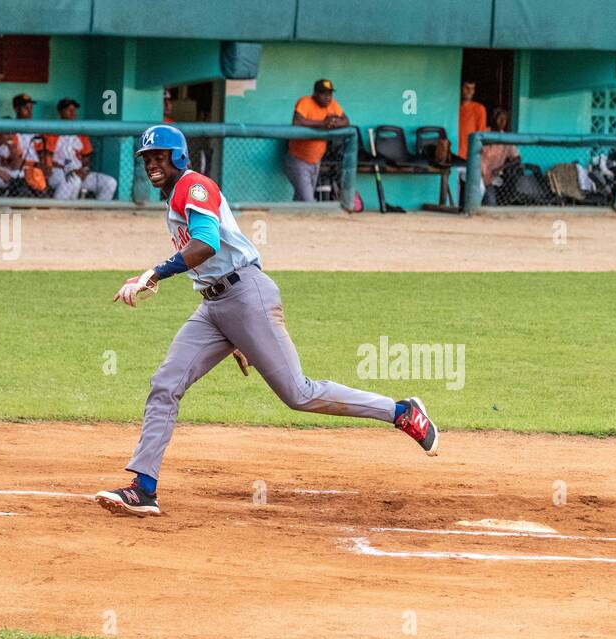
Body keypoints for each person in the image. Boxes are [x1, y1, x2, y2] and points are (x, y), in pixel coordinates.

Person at [95, 125, 439, 517]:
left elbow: (206, 244)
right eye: (147, 158)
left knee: (299, 394)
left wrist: (152, 274)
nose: (152, 164)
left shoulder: (194, 186)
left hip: (246, 296)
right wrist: (235, 333)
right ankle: (144, 488)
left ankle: (400, 411)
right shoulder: (175, 196)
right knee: (166, 384)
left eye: (159, 156)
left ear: (178, 157)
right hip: (214, 307)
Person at [285, 79, 347, 202]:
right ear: (315, 93)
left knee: (301, 200)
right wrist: (323, 123)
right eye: (324, 93)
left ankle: (295, 221)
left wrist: (334, 123)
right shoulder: (305, 102)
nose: (327, 97)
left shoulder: (332, 104)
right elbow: (297, 122)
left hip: (315, 162)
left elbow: (346, 121)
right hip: (298, 161)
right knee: (309, 201)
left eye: (330, 94)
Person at [45, 98, 117, 200]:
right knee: (72, 181)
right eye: (68, 110)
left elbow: (86, 157)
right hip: (58, 172)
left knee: (110, 182)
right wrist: (71, 170)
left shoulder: (81, 133)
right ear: (60, 112)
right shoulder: (52, 131)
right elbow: (48, 160)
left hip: (79, 172)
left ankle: (99, 213)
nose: (73, 113)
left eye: (74, 110)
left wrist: (85, 170)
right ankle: (57, 211)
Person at [457, 80, 487, 160]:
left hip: (469, 158)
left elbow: (481, 136)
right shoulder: (454, 106)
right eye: (467, 88)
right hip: (452, 156)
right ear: (460, 88)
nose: (470, 91)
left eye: (472, 89)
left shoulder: (479, 109)